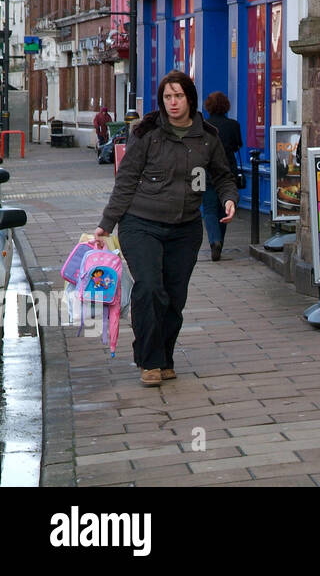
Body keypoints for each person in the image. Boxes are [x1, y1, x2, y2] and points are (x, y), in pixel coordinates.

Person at [95, 70, 238, 386]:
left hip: (185, 229)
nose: (173, 103)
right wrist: (107, 224)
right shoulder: (147, 133)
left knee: (174, 297)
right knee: (149, 289)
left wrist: (229, 199)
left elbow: (223, 176)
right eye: (167, 97)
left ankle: (164, 356)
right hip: (140, 223)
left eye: (178, 96)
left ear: (190, 98)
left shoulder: (208, 137)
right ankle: (150, 361)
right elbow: (127, 179)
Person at [201, 91, 243, 262]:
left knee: (209, 209)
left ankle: (214, 241)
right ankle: (220, 242)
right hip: (227, 171)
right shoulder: (233, 125)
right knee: (225, 208)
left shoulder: (204, 125)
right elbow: (237, 145)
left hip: (207, 171)